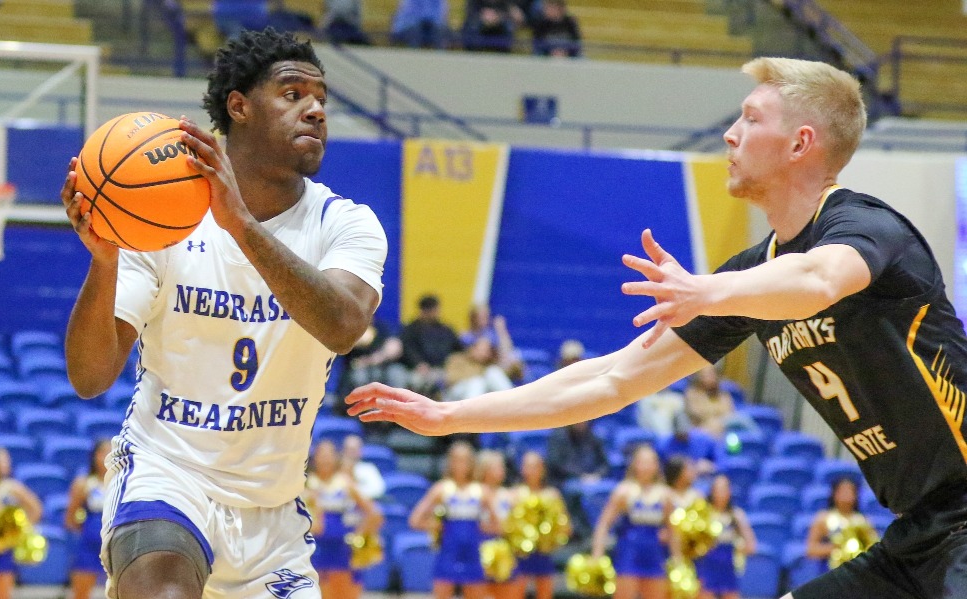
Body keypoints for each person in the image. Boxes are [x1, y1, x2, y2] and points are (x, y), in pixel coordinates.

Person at [348, 56, 967, 598]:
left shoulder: (865, 227)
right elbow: (614, 379)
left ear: (801, 143)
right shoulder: (753, 276)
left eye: (751, 118)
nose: (730, 133)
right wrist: (452, 416)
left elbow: (820, 280)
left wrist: (706, 291)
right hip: (922, 530)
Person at [60, 28, 386, 599]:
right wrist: (105, 259)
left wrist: (240, 223)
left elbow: (341, 326)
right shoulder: (160, 222)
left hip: (272, 512)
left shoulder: (347, 224)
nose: (315, 109)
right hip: (168, 477)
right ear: (238, 105)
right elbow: (90, 377)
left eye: (321, 98)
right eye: (292, 94)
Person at [408, 441, 498, 599]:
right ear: (450, 462)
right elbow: (415, 520)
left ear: (472, 463)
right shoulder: (441, 488)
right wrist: (435, 526)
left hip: (472, 553)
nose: (461, 464)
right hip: (448, 552)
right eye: (456, 459)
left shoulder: (481, 491)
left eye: (465, 460)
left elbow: (499, 525)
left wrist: (481, 528)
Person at [591, 444, 670, 599]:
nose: (646, 467)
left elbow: (673, 530)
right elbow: (604, 524)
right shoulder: (623, 491)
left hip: (655, 555)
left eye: (650, 462)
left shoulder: (665, 494)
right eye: (642, 462)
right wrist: (597, 554)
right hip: (629, 554)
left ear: (656, 465)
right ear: (634, 464)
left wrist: (677, 558)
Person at [306, 439, 382, 599]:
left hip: (343, 549)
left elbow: (375, 515)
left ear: (336, 458)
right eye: (322, 455)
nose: (325, 459)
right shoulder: (306, 483)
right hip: (314, 548)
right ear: (314, 458)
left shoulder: (345, 482)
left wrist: (358, 535)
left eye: (329, 455)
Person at [0, 448, 42, 599]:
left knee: (3, 593)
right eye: (3, 460)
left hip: (3, 548)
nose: (7, 464)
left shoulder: (12, 487)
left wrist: (20, 529)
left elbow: (36, 509)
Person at [513, 451, 569, 599]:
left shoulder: (552, 494)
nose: (531, 470)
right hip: (519, 553)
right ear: (521, 468)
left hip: (544, 552)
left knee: (545, 594)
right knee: (515, 593)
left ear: (542, 468)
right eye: (527, 466)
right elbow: (507, 525)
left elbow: (566, 526)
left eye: (535, 466)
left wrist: (554, 537)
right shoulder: (515, 494)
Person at [695, 474, 756, 599]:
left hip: (728, 569)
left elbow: (751, 546)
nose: (721, 493)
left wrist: (740, 548)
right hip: (706, 568)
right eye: (718, 489)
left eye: (724, 489)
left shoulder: (736, 515)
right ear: (711, 491)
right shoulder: (703, 514)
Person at [66, 439, 112, 599]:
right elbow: (70, 518)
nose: (108, 456)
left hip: (116, 546)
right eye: (104, 452)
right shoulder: (83, 484)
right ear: (94, 456)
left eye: (112, 451)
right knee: (81, 594)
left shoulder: (123, 481)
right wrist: (90, 530)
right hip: (89, 546)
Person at [476, 450, 522, 598]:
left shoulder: (510, 495)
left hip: (506, 550)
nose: (502, 470)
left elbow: (515, 526)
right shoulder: (475, 492)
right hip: (479, 549)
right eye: (497, 467)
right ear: (485, 469)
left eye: (502, 466)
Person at [805, 477, 877, 572]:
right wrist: (838, 548)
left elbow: (873, 547)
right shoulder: (823, 518)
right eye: (842, 491)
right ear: (834, 494)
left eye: (850, 491)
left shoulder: (863, 521)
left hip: (857, 571)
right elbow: (811, 550)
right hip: (830, 571)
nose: (846, 495)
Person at [400, 294, 462, 396]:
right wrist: (418, 363)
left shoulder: (445, 330)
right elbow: (408, 349)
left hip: (442, 369)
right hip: (416, 369)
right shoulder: (411, 330)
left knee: (451, 381)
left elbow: (457, 349)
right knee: (416, 381)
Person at [337, 317, 406, 406]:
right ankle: (364, 407)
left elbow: (394, 347)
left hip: (382, 366)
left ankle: (394, 407)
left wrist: (374, 359)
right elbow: (345, 355)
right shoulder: (351, 330)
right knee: (360, 377)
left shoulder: (381, 328)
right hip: (357, 367)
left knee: (396, 374)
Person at [443, 337, 516, 403]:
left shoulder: (488, 364)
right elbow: (450, 379)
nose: (483, 353)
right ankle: (471, 414)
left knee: (493, 371)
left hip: (483, 393)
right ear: (473, 348)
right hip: (455, 394)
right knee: (477, 382)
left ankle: (511, 402)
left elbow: (516, 373)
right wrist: (479, 373)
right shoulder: (457, 358)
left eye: (486, 351)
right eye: (481, 349)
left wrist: (510, 361)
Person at [461, 304, 523, 380]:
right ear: (473, 317)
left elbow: (507, 350)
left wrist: (501, 329)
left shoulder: (491, 334)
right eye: (481, 316)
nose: (485, 319)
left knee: (513, 356)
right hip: (474, 366)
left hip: (493, 364)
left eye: (486, 316)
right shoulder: (466, 336)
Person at [341, 434, 386, 499]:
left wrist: (354, 491)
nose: (351, 453)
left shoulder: (368, 468)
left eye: (354, 449)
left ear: (360, 451)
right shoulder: (335, 468)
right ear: (343, 450)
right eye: (348, 449)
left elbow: (378, 490)